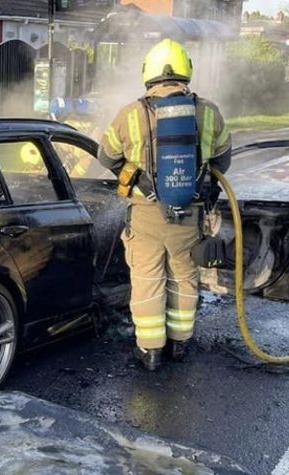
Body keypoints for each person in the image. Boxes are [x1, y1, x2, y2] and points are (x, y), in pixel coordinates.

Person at [97, 39, 232, 372]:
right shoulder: (208, 112)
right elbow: (224, 160)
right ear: (186, 70)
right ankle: (180, 344)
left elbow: (105, 156)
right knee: (184, 278)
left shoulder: (131, 113)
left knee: (147, 280)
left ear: (149, 73)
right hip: (190, 214)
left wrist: (135, 175)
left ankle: (150, 350)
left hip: (145, 216)